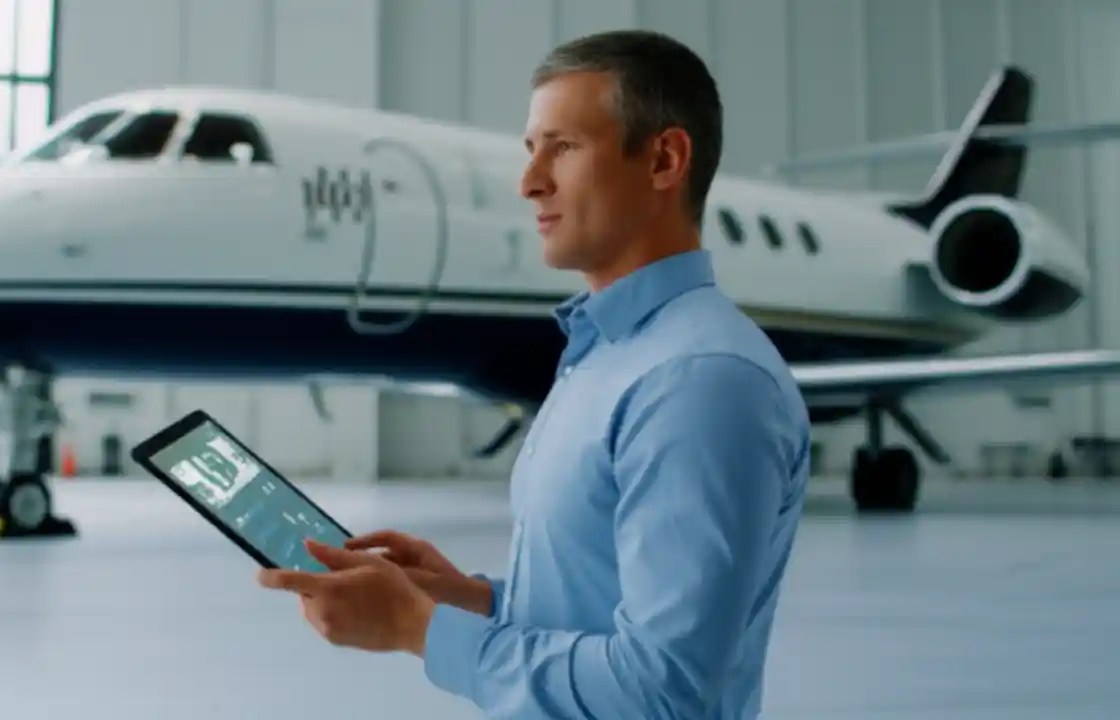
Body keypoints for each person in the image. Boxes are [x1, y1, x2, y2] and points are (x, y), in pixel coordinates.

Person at [256, 29, 811, 719]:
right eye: (530, 150)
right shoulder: (604, 353)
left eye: (565, 147)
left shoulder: (698, 382)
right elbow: (594, 606)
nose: (529, 182)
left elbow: (663, 695)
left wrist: (414, 630)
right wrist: (459, 597)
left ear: (665, 160)